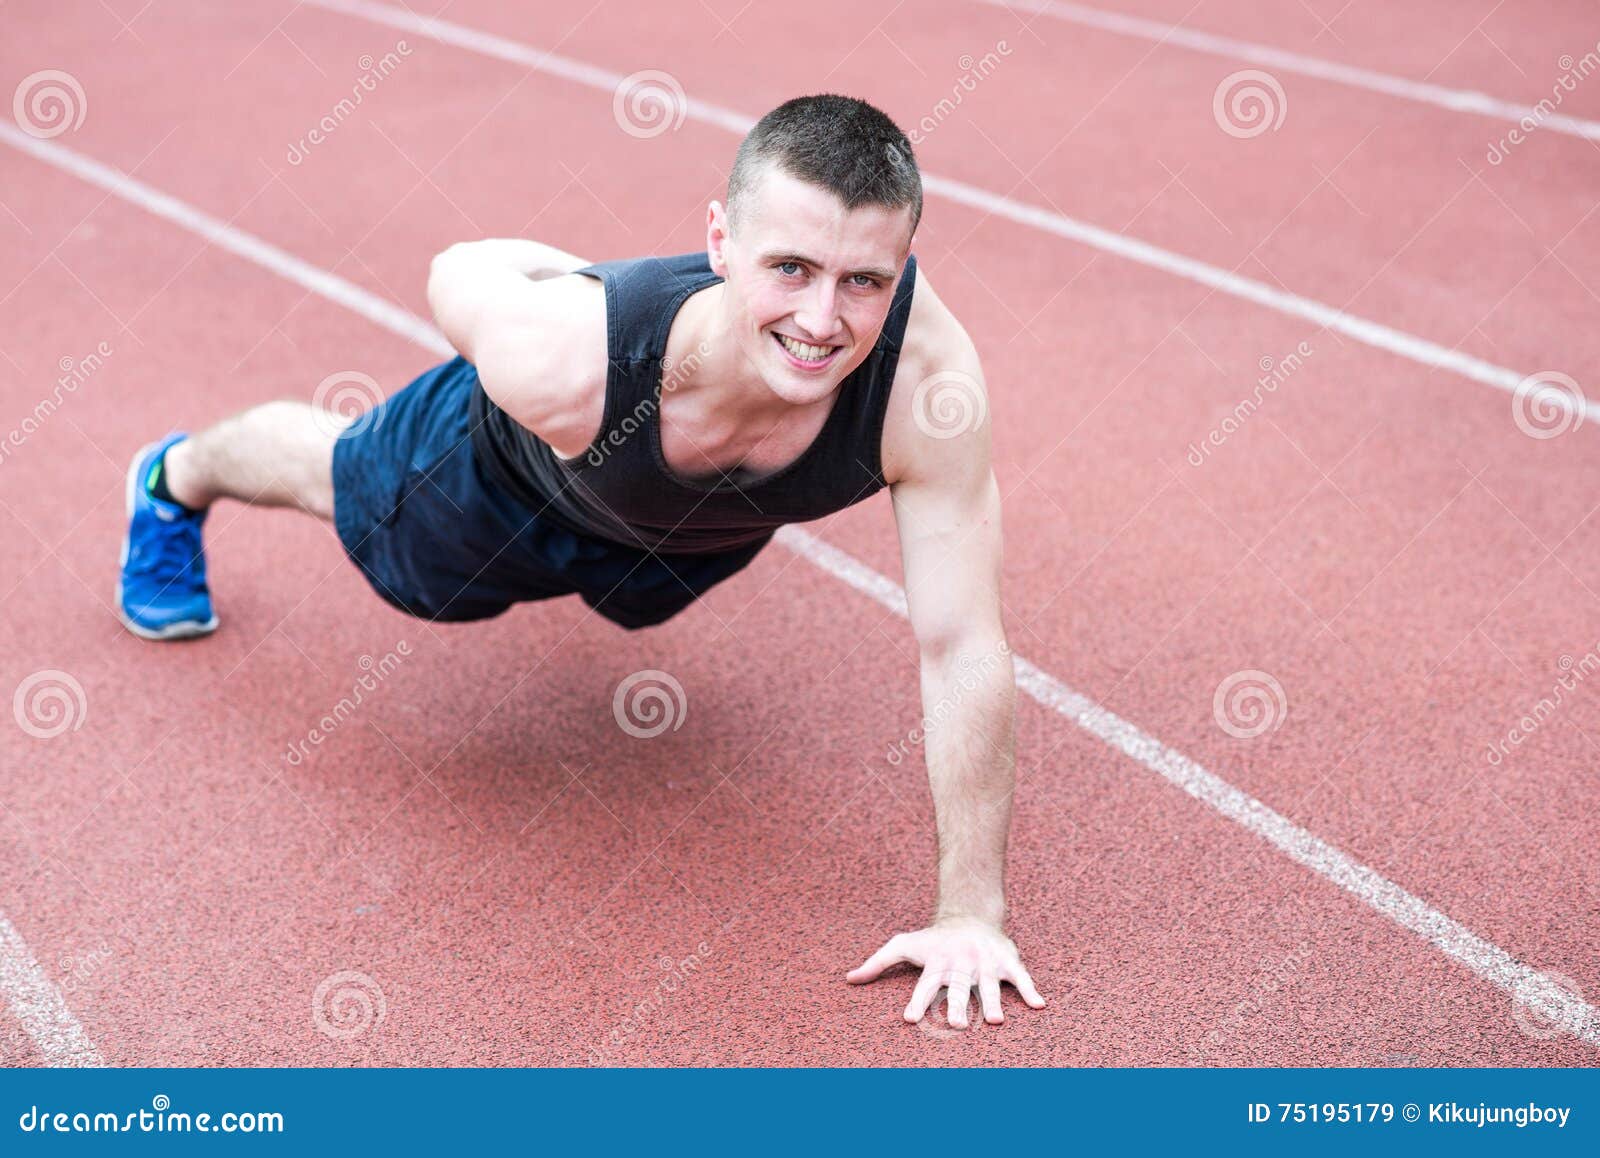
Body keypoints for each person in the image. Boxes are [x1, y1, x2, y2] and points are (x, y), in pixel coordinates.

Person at [116, 94, 1044, 1030]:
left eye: (863, 281)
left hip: (681, 532)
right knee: (346, 486)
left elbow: (961, 643)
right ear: (720, 243)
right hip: (495, 477)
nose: (820, 320)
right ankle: (173, 478)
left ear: (902, 269)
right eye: (790, 268)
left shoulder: (928, 395)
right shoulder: (561, 355)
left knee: (641, 602)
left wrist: (970, 915)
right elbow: (455, 270)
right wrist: (570, 282)